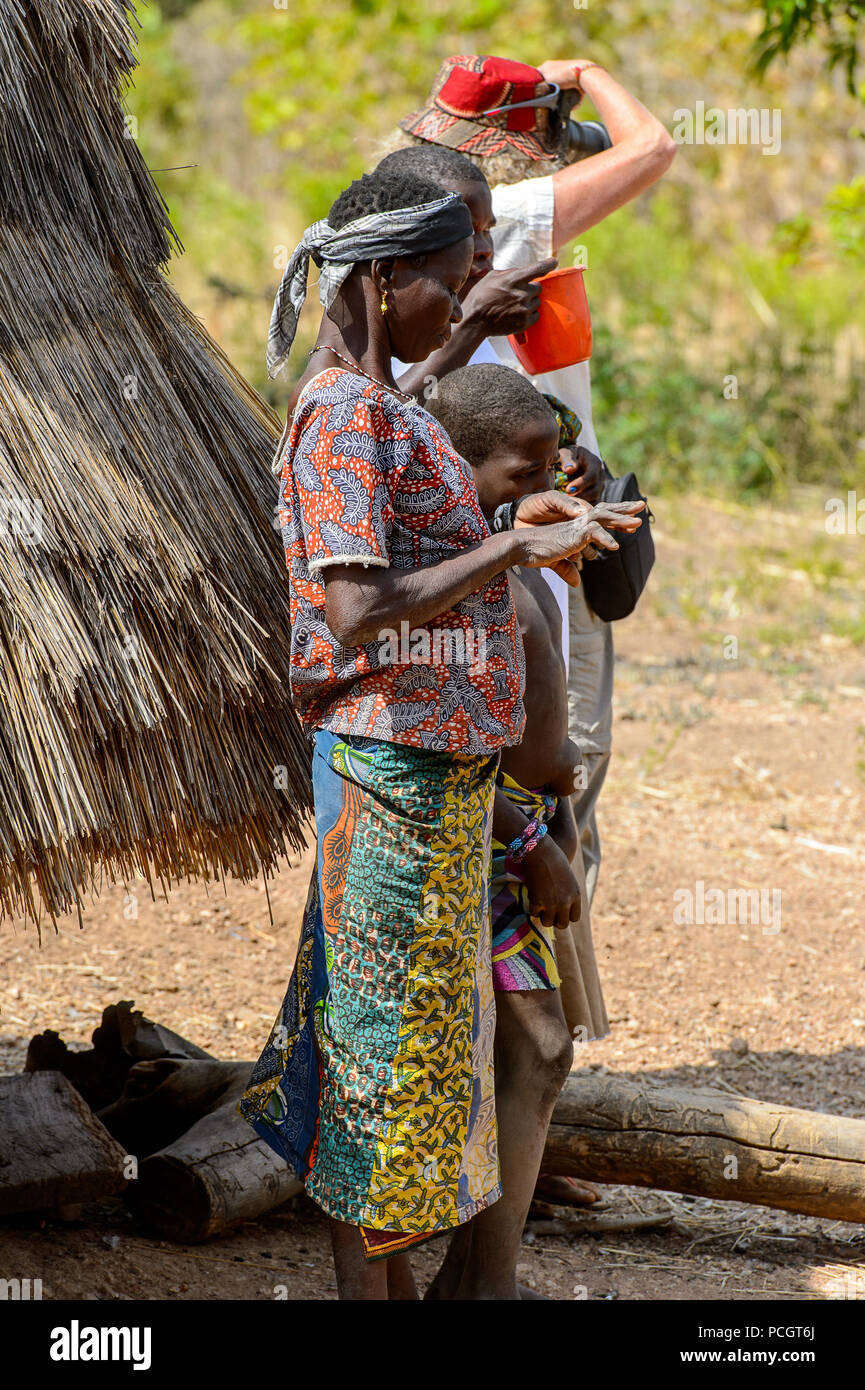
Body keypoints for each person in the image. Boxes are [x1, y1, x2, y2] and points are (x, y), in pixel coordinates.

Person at [238, 166, 644, 1300]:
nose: (463, 291)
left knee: (414, 1070)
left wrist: (514, 517)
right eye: (447, 277)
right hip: (391, 779)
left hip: (437, 785)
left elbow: (415, 531)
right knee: (379, 1074)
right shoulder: (336, 421)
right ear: (381, 280)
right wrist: (509, 552)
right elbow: (356, 607)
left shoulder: (376, 404)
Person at [381, 51, 675, 934]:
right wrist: (585, 73)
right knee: (559, 766)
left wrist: (571, 456)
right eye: (552, 140)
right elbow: (652, 146)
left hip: (519, 525)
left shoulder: (439, 234)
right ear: (512, 155)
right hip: (521, 555)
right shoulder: (503, 215)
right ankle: (533, 1010)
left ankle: (533, 1010)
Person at [424, 362, 616, 1296]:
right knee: (529, 1049)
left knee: (534, 1051)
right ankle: (483, 1285)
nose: (546, 490)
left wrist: (562, 822)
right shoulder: (454, 576)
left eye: (555, 468)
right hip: (486, 841)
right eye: (524, 473)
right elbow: (449, 741)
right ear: (457, 466)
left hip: (531, 834)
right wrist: (530, 842)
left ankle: (479, 1277)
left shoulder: (506, 552)